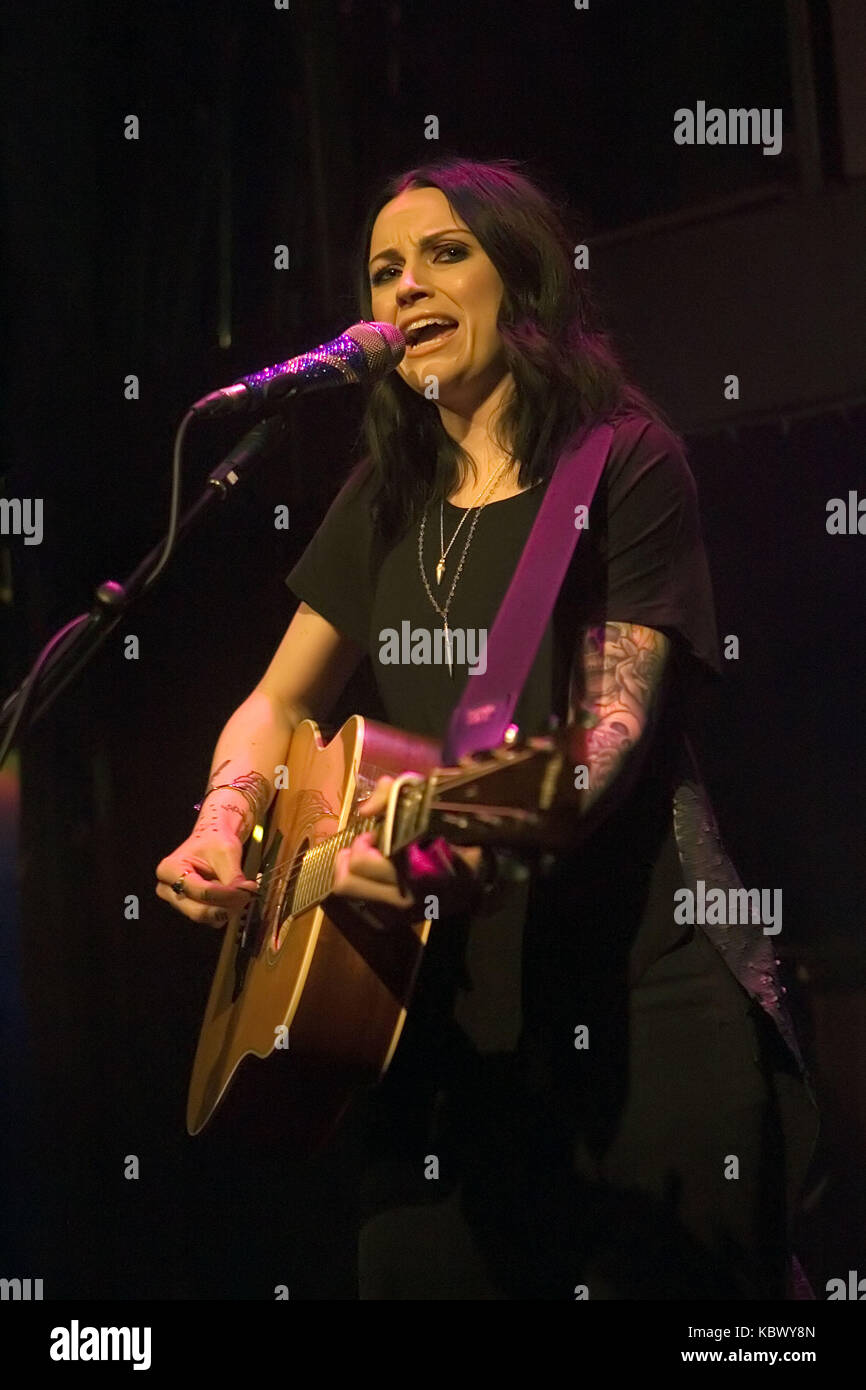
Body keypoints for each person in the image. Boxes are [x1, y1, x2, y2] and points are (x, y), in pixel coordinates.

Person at [156, 157, 819, 1300]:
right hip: (439, 1034)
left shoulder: (621, 459)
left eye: (441, 254)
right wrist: (224, 823)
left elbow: (603, 736)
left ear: (522, 279)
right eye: (380, 271)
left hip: (636, 1008)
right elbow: (275, 702)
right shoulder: (382, 495)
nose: (403, 287)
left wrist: (442, 826)